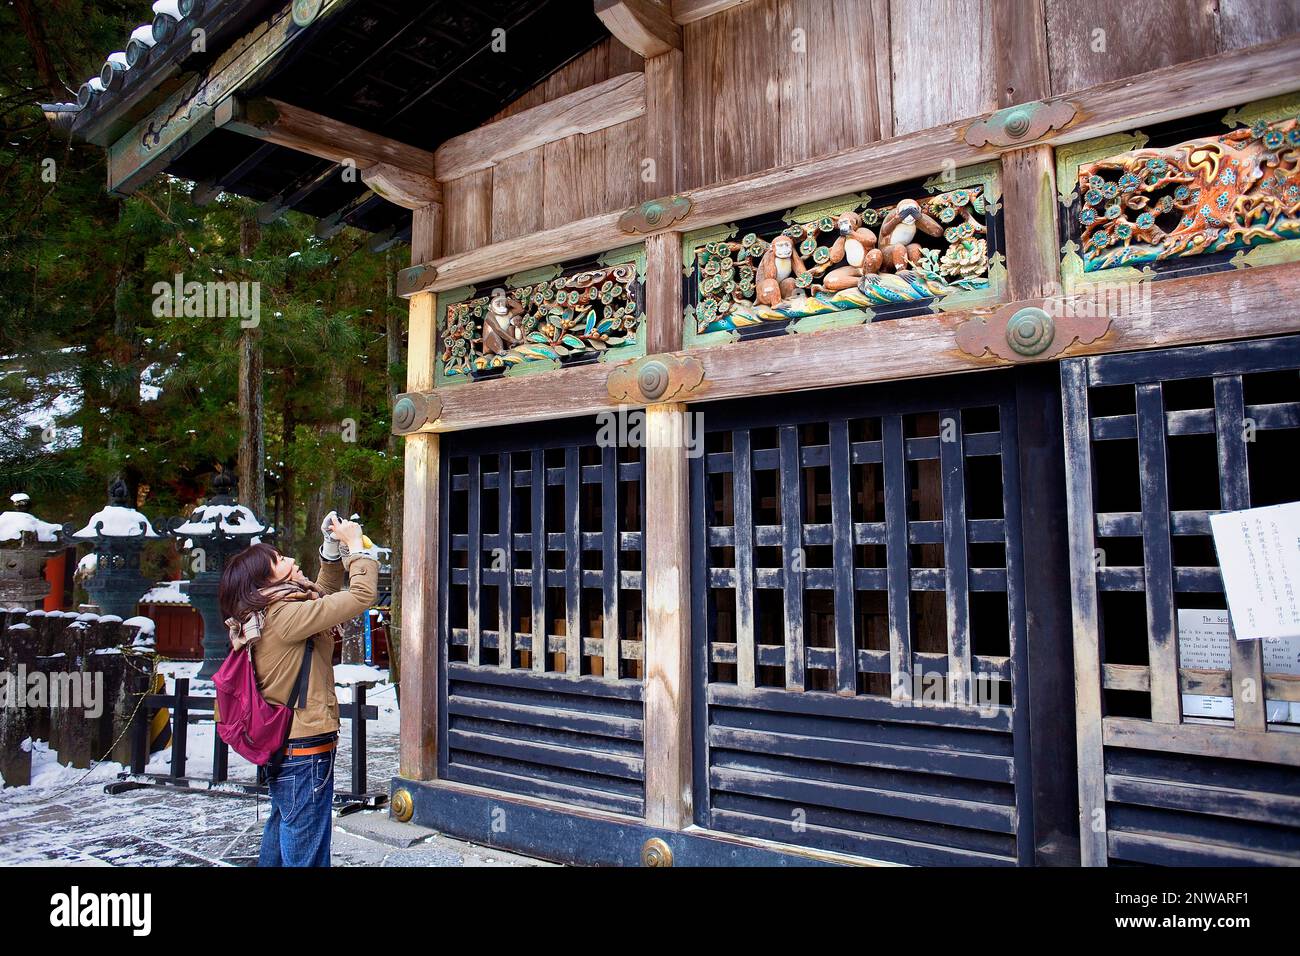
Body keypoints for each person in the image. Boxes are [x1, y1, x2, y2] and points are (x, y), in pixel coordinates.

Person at [218, 512, 378, 867]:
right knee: (306, 850)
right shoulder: (285, 616)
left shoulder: (270, 613)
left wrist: (331, 550)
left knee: (284, 828)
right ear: (265, 580)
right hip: (305, 752)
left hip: (288, 747)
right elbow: (362, 595)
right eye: (279, 561)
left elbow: (320, 597)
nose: (290, 560)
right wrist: (356, 547)